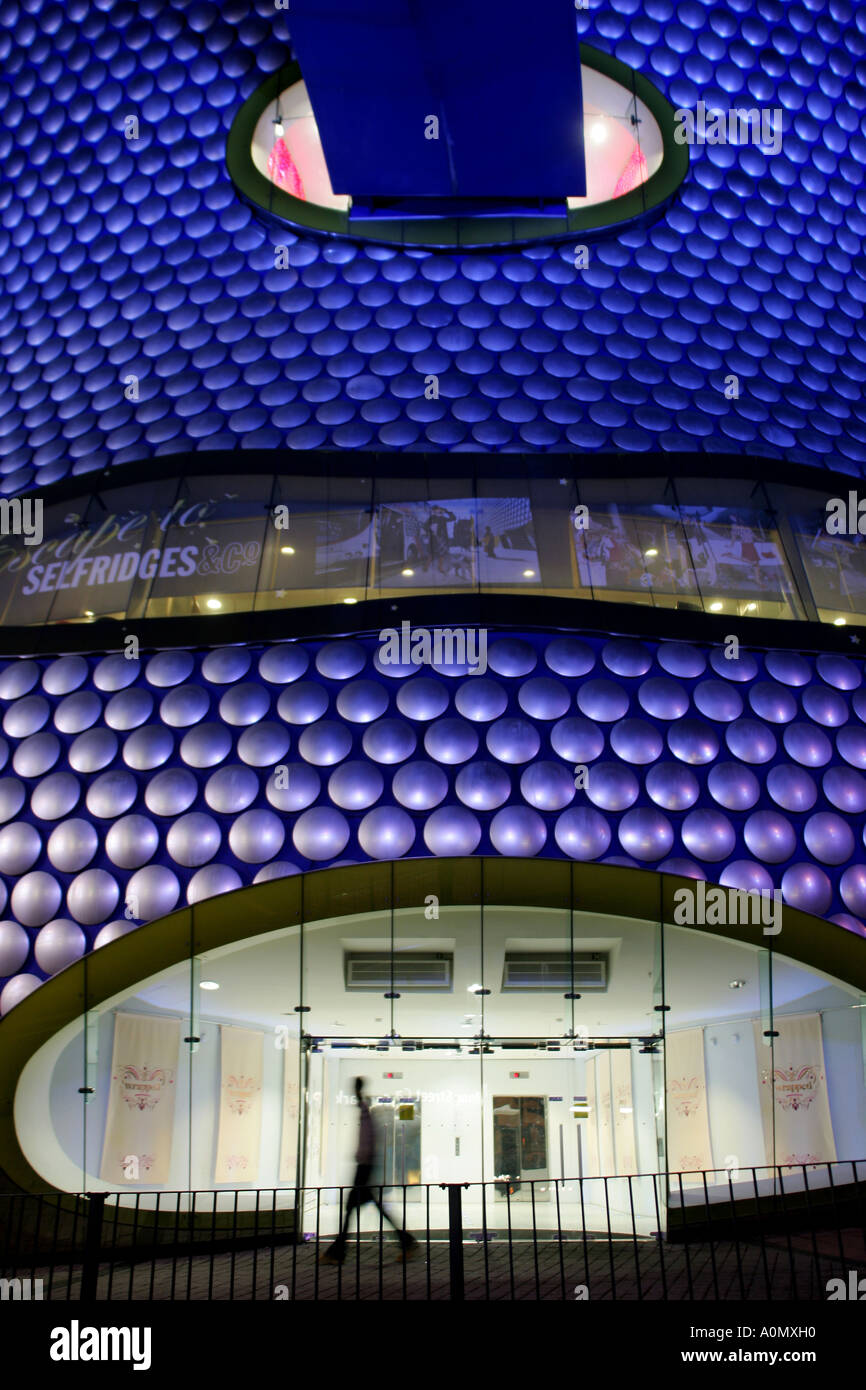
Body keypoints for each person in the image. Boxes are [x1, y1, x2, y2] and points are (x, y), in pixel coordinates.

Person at [319, 1078, 418, 1265]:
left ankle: (337, 1253)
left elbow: (367, 1144)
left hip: (363, 1169)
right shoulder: (365, 1114)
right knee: (364, 1208)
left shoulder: (365, 1113)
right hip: (364, 1168)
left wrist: (362, 1162)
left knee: (351, 1210)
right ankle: (406, 1242)